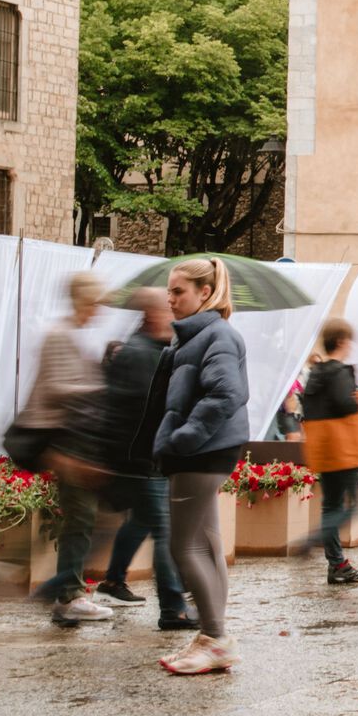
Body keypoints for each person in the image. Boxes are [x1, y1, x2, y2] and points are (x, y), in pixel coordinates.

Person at [147, 257, 251, 676]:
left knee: (183, 546)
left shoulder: (215, 335)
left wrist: (183, 438)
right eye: (169, 291)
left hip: (201, 452)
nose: (169, 299)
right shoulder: (201, 335)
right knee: (206, 544)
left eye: (178, 292)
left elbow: (227, 393)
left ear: (205, 293)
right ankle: (213, 636)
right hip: (207, 451)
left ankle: (216, 638)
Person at [94, 289, 195, 629]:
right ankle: (173, 608)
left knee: (140, 522)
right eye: (169, 308)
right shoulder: (140, 354)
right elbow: (145, 410)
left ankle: (112, 580)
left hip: (142, 459)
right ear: (154, 315)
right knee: (166, 531)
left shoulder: (152, 350)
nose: (174, 313)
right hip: (142, 459)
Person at [17, 273, 113, 627]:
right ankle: (66, 592)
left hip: (71, 439)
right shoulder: (60, 336)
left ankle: (64, 590)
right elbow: (55, 388)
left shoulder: (70, 335)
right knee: (82, 515)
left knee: (85, 515)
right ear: (83, 301)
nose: (98, 311)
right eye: (96, 303)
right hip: (62, 440)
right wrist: (97, 388)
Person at [301, 318, 358, 585]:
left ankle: (337, 564)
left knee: (330, 504)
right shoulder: (340, 372)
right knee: (355, 506)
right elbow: (346, 406)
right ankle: (314, 538)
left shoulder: (315, 374)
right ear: (342, 341)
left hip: (323, 450)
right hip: (344, 448)